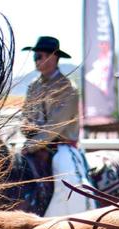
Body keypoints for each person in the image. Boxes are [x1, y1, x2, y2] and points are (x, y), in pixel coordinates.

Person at [20, 35, 94, 216]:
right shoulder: (33, 86)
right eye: (34, 56)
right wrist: (26, 129)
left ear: (53, 57)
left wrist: (31, 145)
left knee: (69, 179)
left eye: (39, 56)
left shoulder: (67, 88)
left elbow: (55, 126)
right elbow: (26, 116)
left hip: (61, 147)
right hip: (33, 146)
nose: (36, 60)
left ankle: (82, 217)